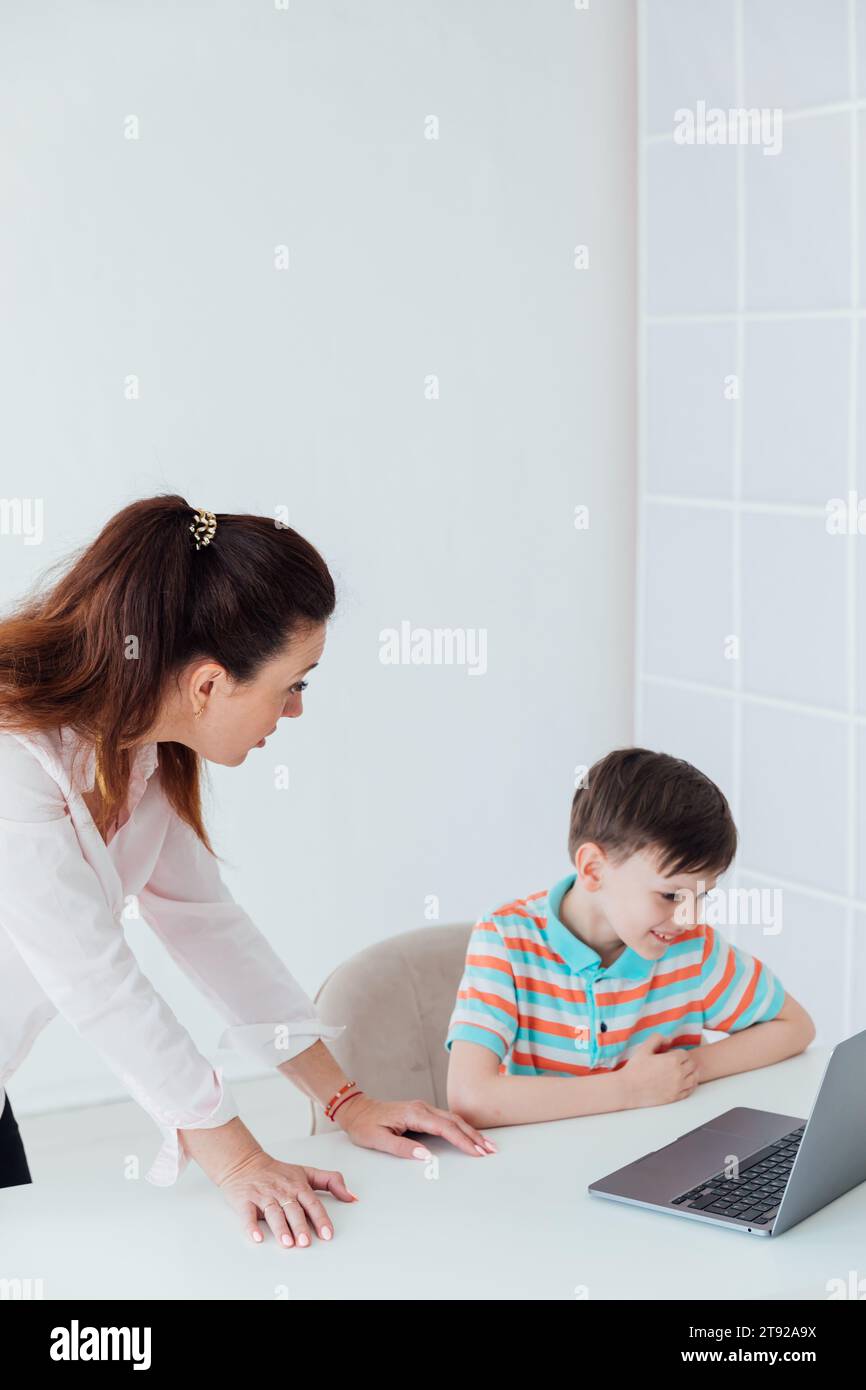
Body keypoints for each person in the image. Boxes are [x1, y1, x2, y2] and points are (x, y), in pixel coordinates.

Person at [0, 495, 496, 1247]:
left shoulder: (139, 754)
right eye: (294, 684)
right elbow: (92, 979)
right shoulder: (15, 761)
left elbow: (211, 932)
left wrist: (345, 1103)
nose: (293, 712)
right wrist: (236, 1160)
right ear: (207, 684)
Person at [445, 747, 815, 1126]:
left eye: (701, 896)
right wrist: (629, 1089)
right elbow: (471, 1097)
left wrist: (684, 1071)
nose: (690, 917)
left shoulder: (692, 950)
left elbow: (795, 1026)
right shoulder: (505, 942)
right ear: (593, 869)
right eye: (671, 895)